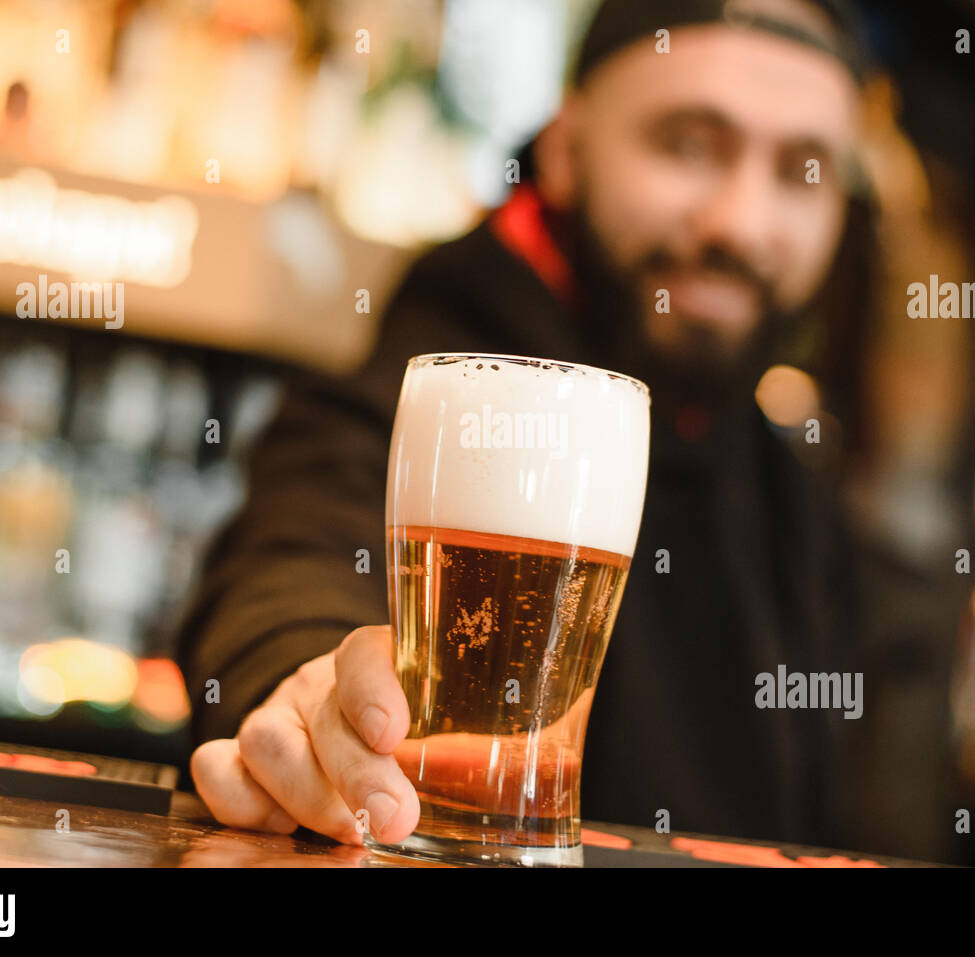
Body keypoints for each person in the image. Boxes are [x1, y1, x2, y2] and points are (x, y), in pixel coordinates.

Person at [177, 0, 873, 850]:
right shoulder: (438, 386)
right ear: (565, 148)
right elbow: (295, 557)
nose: (741, 221)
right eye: (687, 145)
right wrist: (318, 705)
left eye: (801, 171)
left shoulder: (796, 496)